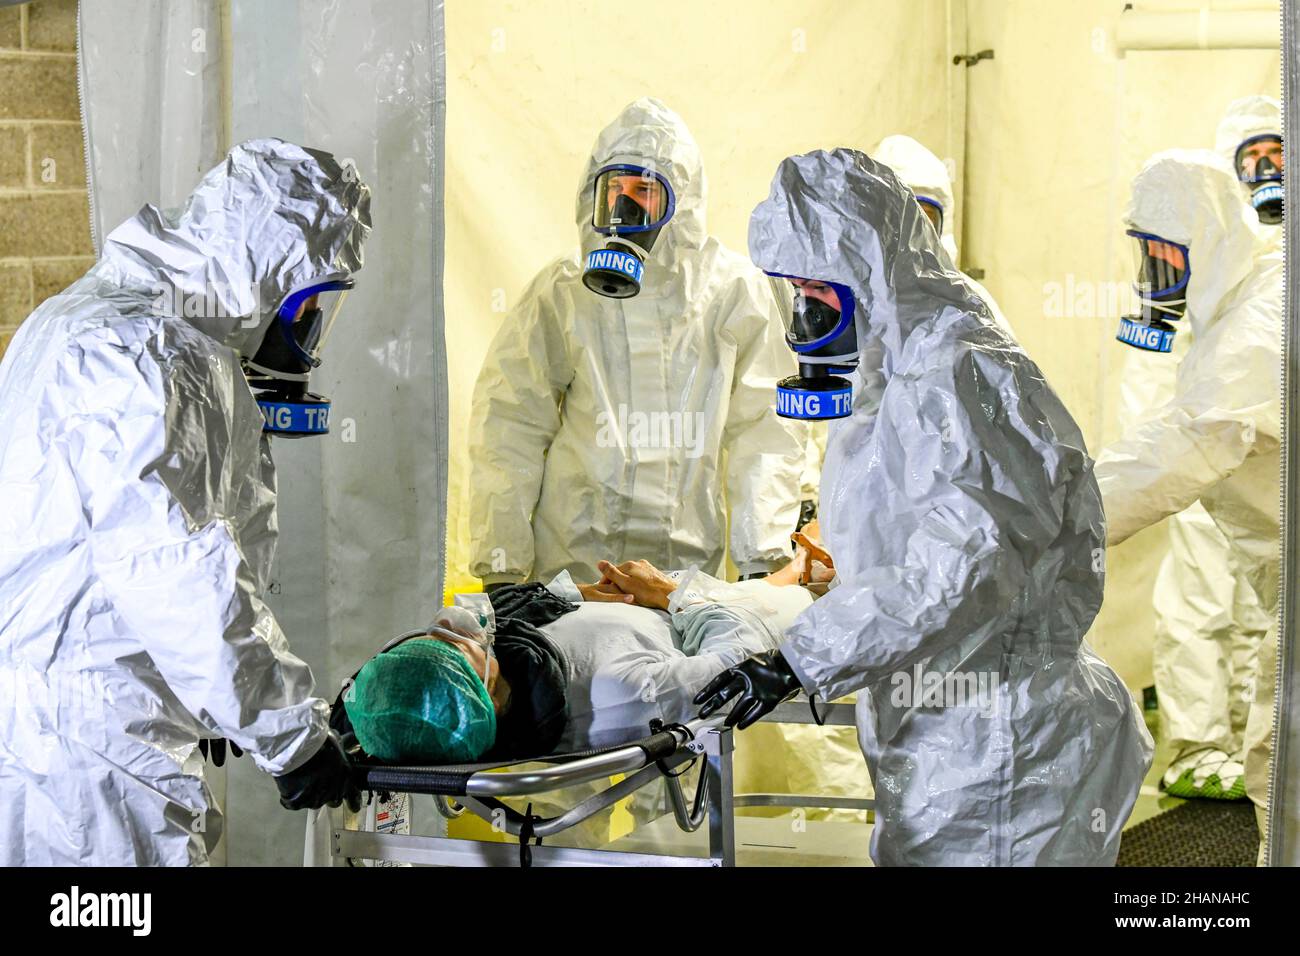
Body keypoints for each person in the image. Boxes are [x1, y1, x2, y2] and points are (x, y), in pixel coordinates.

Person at [696, 148, 1153, 866]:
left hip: (1004, 742)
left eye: (822, 295)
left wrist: (804, 656)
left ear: (872, 279)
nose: (804, 320)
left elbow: (962, 560)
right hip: (943, 735)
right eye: (795, 296)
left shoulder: (957, 367)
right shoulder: (891, 370)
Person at [0, 139, 370, 866]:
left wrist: (211, 697)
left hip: (58, 728)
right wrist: (290, 736)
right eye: (307, 305)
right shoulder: (155, 354)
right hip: (100, 758)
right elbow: (177, 569)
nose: (306, 334)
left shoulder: (87, 318)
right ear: (267, 272)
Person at [468, 98, 805, 590]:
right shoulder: (564, 289)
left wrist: (761, 559)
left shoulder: (732, 292)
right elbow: (510, 420)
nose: (626, 207)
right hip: (573, 573)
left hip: (684, 580)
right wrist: (503, 570)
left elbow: (765, 428)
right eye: (616, 189)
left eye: (645, 191)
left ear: (682, 200)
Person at [1091, 150, 1282, 853]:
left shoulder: (1259, 322)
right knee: (1275, 764)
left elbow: (1185, 446)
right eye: (1148, 258)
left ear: (1206, 238)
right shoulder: (1241, 299)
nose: (1155, 279)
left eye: (1166, 258)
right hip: (1280, 578)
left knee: (1280, 765)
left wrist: (1064, 514)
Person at [1216, 95, 1283, 239]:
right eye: (1253, 154)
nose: (1266, 167)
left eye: (1275, 152)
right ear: (1233, 163)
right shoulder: (1222, 224)